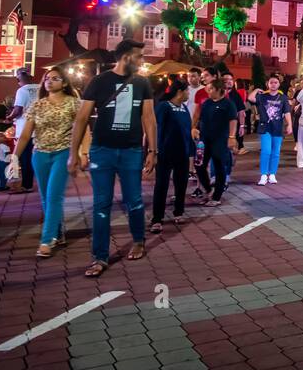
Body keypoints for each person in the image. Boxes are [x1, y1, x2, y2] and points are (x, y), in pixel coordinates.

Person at [69, 39, 157, 277]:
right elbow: (82, 118)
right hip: (102, 150)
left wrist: (153, 151)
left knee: (134, 200)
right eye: (139, 56)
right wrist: (74, 153)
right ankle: (99, 256)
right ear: (126, 57)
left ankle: (138, 240)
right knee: (101, 204)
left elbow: (149, 118)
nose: (142, 61)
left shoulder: (142, 83)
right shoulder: (99, 81)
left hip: (131, 151)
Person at [14, 66, 79, 257]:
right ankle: (57, 232)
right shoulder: (37, 105)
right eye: (47, 79)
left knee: (53, 196)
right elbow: (25, 134)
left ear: (64, 83)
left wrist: (81, 153)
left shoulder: (74, 103)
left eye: (55, 78)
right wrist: (14, 157)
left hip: (63, 152)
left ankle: (47, 240)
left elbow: (82, 129)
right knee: (45, 197)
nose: (49, 81)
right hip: (40, 154)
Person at [152, 79, 194, 233]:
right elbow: (156, 129)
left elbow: (187, 131)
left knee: (181, 184)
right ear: (179, 92)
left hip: (182, 153)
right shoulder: (164, 107)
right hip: (165, 153)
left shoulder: (184, 108)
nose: (189, 93)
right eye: (187, 90)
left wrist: (190, 150)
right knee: (161, 185)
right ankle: (157, 219)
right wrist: (154, 151)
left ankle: (179, 212)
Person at [193, 79, 237, 205]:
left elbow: (233, 120)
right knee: (198, 164)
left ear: (219, 90)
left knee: (219, 166)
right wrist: (194, 128)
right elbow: (199, 118)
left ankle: (217, 197)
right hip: (204, 140)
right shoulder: (207, 103)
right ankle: (208, 190)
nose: (208, 91)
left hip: (220, 140)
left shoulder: (228, 104)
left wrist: (232, 137)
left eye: (211, 88)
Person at [248, 74, 291, 185]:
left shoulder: (283, 98)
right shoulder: (262, 96)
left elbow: (287, 112)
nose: (273, 84)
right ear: (267, 84)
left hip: (278, 127)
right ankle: (263, 175)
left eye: (275, 82)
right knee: (266, 151)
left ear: (279, 84)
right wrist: (256, 90)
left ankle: (272, 174)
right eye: (271, 82)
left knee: (275, 152)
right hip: (265, 127)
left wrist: (289, 125)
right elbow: (250, 98)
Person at [6, 67, 39, 194]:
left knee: (25, 159)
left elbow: (18, 110)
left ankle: (27, 185)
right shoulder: (41, 87)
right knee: (38, 157)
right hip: (40, 129)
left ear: (18, 79)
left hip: (26, 130)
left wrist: (9, 118)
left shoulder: (22, 90)